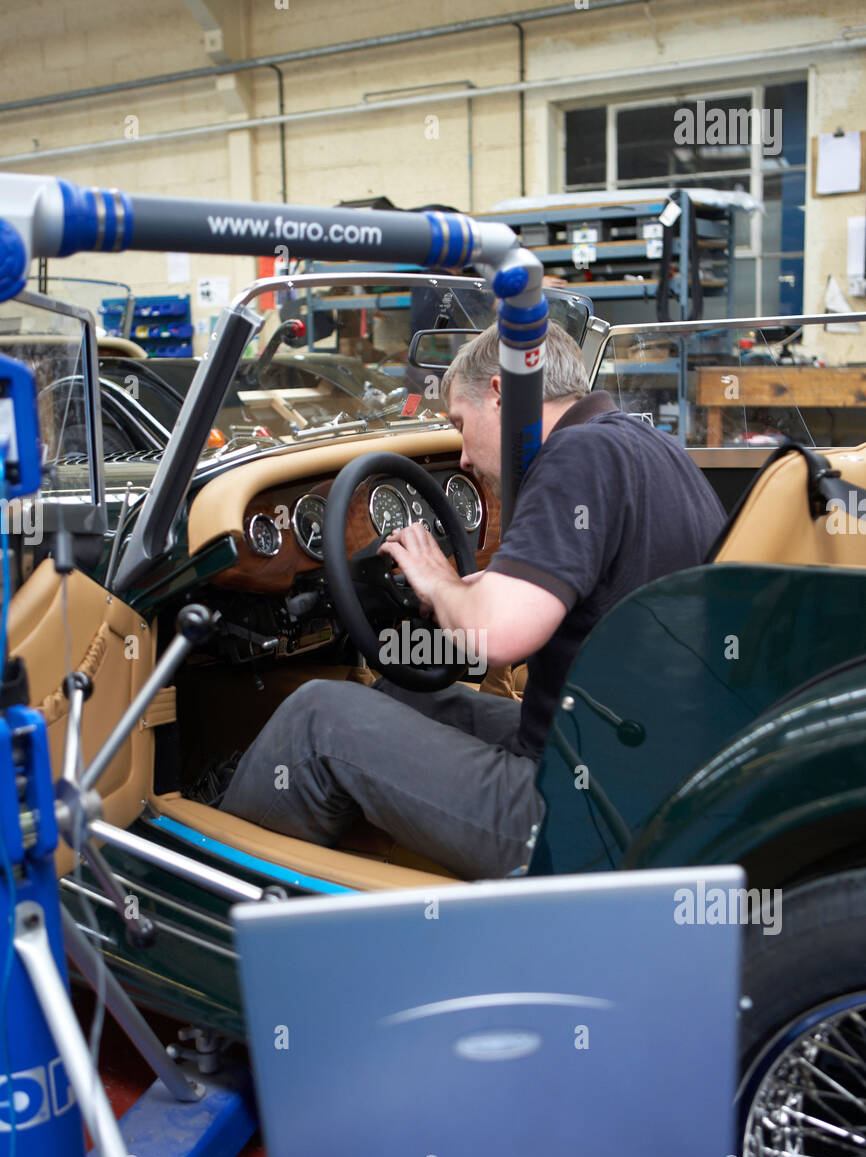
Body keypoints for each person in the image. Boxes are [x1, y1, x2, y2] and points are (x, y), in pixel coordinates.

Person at [219, 321, 726, 879]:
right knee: (393, 692)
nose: (461, 458)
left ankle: (226, 897)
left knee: (315, 720)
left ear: (502, 393)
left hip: (581, 814)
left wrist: (440, 582)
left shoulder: (574, 458)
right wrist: (462, 591)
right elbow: (566, 591)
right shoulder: (644, 444)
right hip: (639, 775)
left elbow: (499, 640)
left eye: (460, 425)